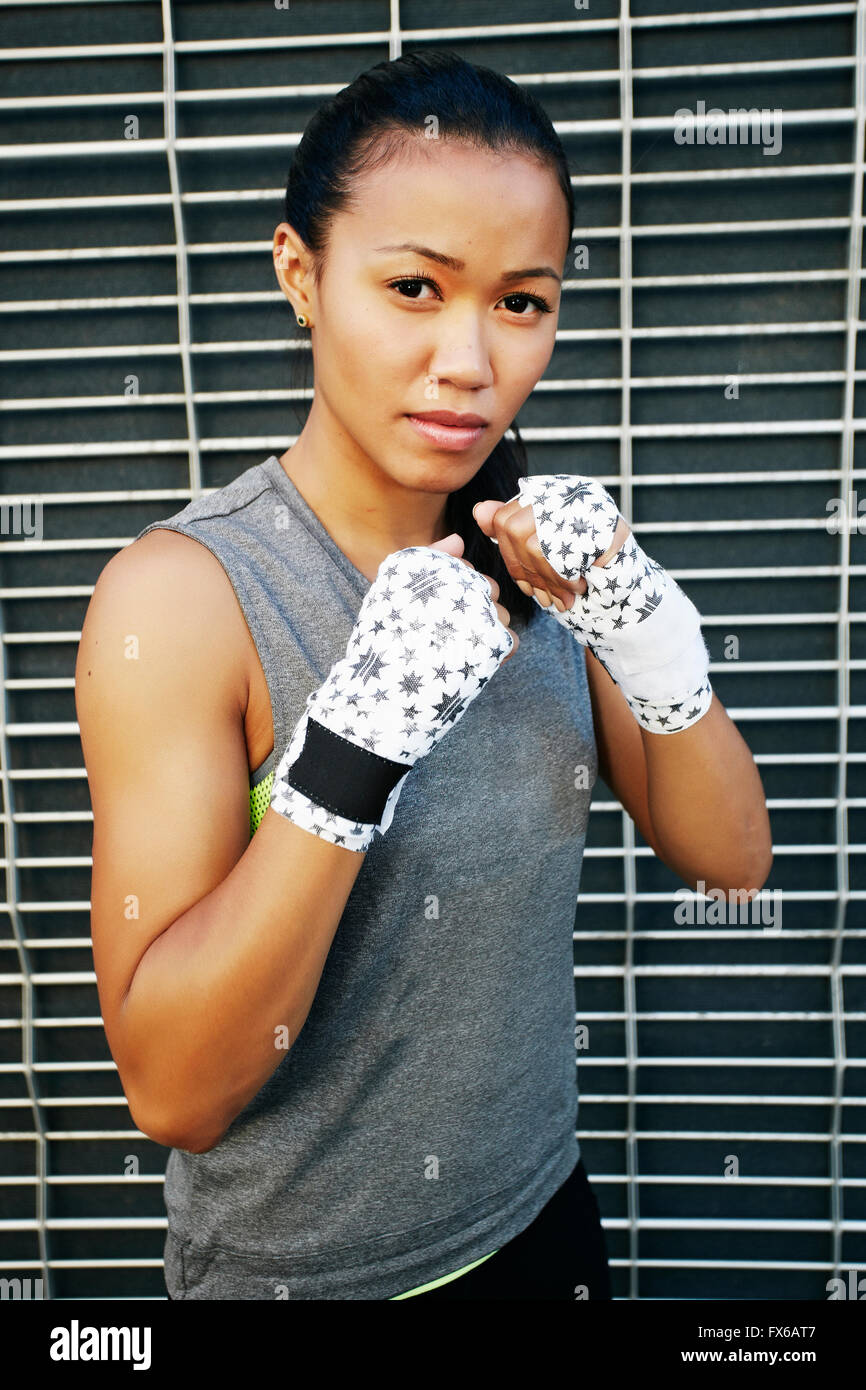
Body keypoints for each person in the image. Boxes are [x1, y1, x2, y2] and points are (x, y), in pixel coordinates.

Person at [75, 50, 771, 1301]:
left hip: (542, 1220)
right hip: (306, 1278)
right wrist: (357, 737)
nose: (469, 361)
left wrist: (644, 632)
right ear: (302, 273)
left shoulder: (536, 552)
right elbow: (173, 1090)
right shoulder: (185, 597)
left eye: (520, 302)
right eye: (412, 287)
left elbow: (729, 862)